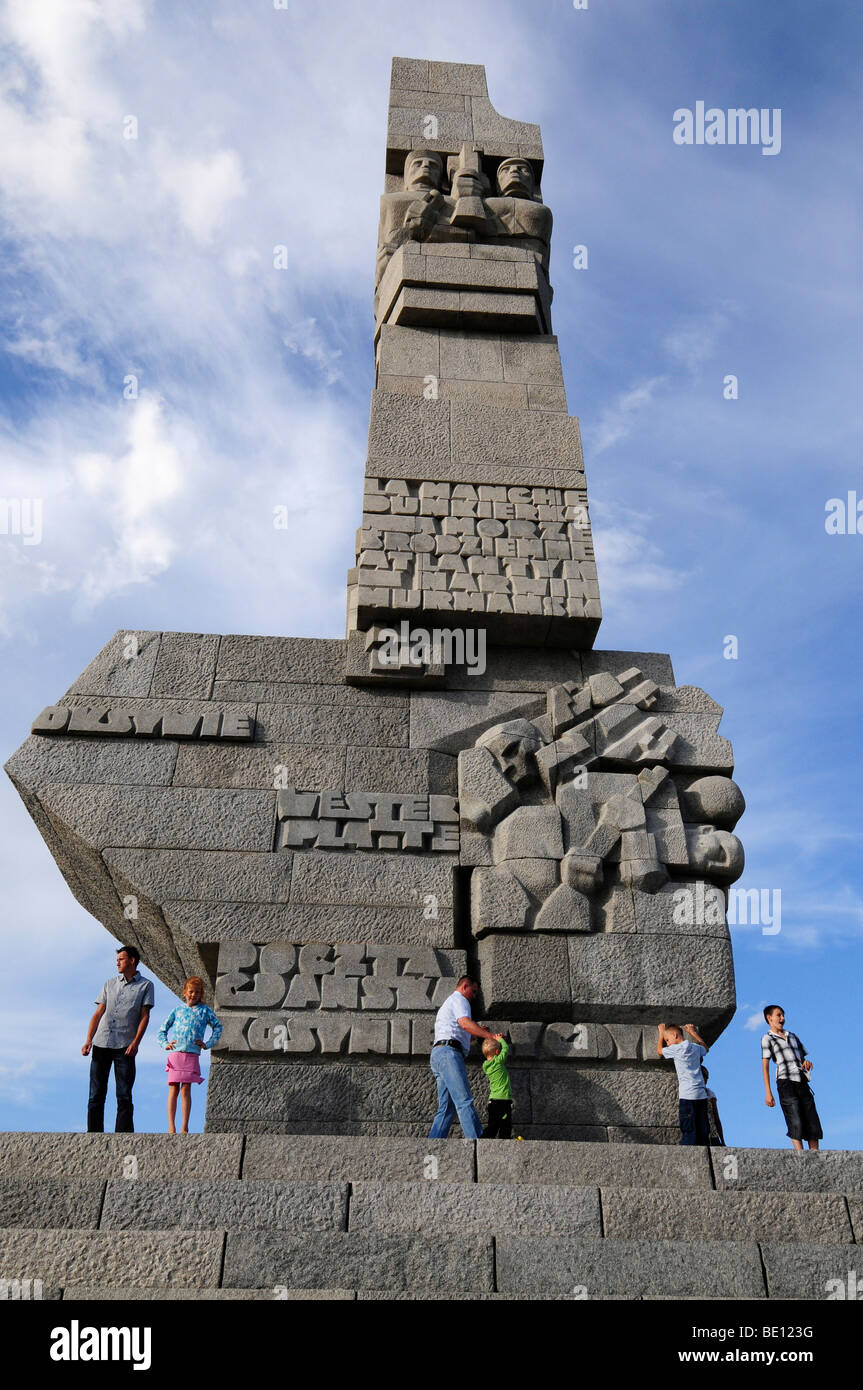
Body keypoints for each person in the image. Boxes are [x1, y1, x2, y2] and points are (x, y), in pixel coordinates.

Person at [82, 946, 153, 1133]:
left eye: (121, 959)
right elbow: (98, 1013)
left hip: (125, 1045)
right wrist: (88, 1039)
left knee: (124, 1094)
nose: (117, 963)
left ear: (132, 961)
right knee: (95, 1094)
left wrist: (136, 1042)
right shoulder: (109, 984)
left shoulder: (146, 985)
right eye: (117, 959)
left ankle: (124, 1135)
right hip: (101, 1042)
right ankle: (94, 1134)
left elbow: (145, 1016)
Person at [428, 975, 503, 1139]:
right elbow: (464, 1023)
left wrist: (476, 1034)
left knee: (447, 1108)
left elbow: (459, 1032)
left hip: (439, 1053)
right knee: (464, 1100)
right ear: (464, 987)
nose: (474, 996)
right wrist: (490, 1036)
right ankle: (479, 1143)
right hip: (449, 1053)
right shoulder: (460, 1000)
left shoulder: (449, 1003)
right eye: (473, 991)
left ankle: (433, 1144)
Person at [158, 977, 222, 1134]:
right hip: (176, 1054)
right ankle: (171, 1126)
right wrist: (165, 1043)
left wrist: (208, 1043)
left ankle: (184, 1126)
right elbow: (162, 1029)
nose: (194, 995)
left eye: (197, 992)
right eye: (191, 991)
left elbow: (218, 1027)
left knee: (185, 1089)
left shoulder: (205, 1010)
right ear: (185, 992)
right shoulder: (178, 1010)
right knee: (173, 1088)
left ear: (201, 994)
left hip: (192, 1055)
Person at [761, 1004, 822, 1151]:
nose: (782, 1018)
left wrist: (806, 1062)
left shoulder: (792, 1036)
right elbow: (765, 1066)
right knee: (794, 1117)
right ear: (769, 1018)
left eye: (783, 1015)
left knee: (811, 1118)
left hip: (801, 1081)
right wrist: (768, 1092)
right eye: (779, 1015)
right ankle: (799, 1155)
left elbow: (802, 1058)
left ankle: (815, 1154)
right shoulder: (767, 1039)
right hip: (785, 1082)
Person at [656, 1021, 710, 1146]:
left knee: (689, 1130)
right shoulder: (695, 1048)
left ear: (675, 1035)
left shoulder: (675, 1049)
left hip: (687, 1096)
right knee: (703, 1131)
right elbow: (705, 1049)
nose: (667, 1043)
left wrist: (661, 1033)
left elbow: (659, 1051)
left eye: (667, 1040)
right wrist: (693, 1033)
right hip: (701, 1095)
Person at [480, 1035, 513, 1139]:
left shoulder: (485, 1066)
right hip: (502, 1100)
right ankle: (505, 1142)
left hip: (493, 1101)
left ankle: (483, 1140)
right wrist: (500, 1040)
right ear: (498, 1052)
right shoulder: (498, 1062)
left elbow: (488, 1051)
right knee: (506, 1125)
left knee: (493, 1126)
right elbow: (506, 1048)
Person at [701, 1065, 726, 1146]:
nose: (706, 1079)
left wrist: (722, 1140)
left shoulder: (710, 1094)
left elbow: (716, 1117)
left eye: (707, 1077)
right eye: (704, 1075)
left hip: (713, 1134)